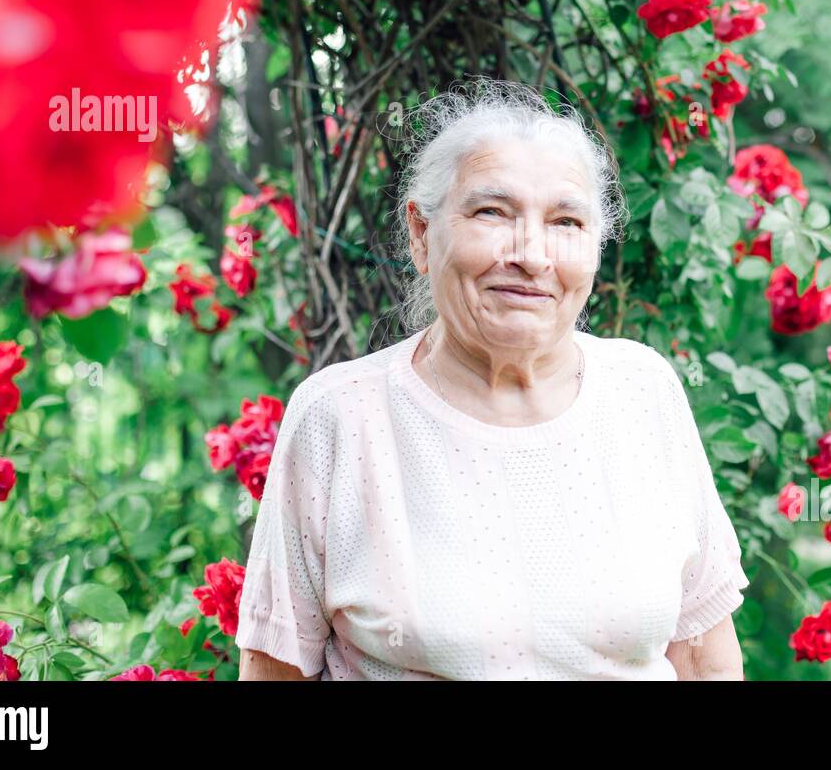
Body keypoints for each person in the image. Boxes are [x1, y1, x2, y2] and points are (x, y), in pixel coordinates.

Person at [235, 78, 750, 680]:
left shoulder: (644, 390)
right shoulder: (339, 417)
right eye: (491, 212)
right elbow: (275, 670)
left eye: (566, 221)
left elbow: (701, 656)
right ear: (422, 235)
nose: (532, 254)